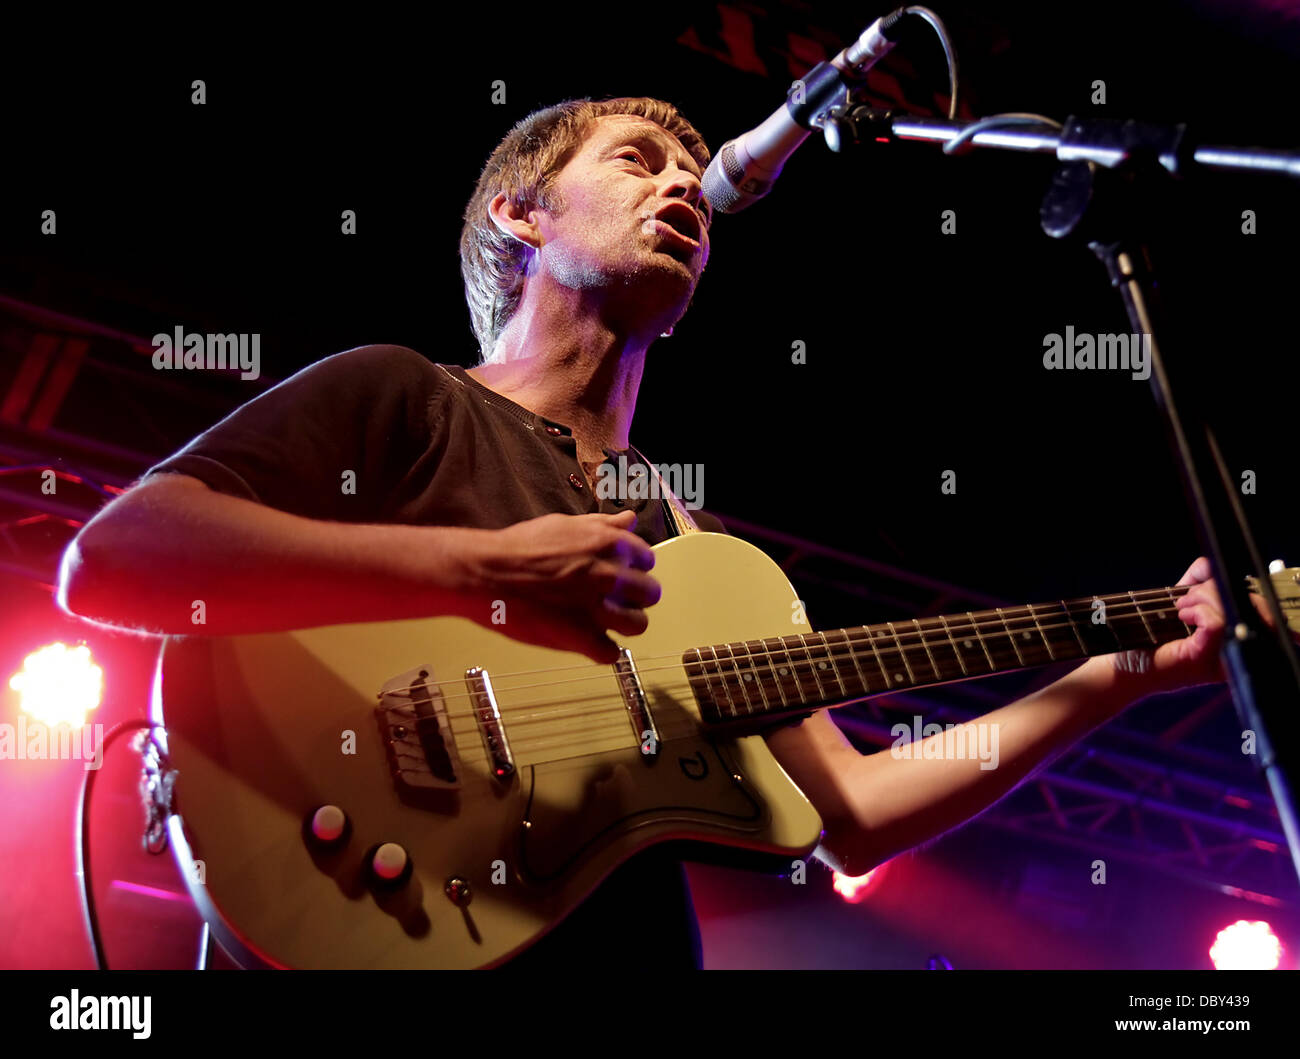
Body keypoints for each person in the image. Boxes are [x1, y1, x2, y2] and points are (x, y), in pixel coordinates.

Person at [57, 96, 1235, 969]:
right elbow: (116, 558)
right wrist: (479, 568)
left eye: (690, 171)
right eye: (636, 162)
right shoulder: (402, 397)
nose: (684, 185)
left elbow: (856, 815)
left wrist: (1119, 674)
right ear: (520, 214)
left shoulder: (699, 547)